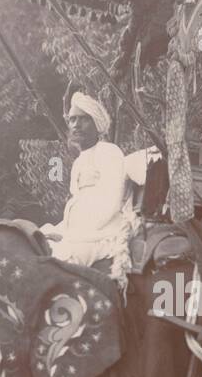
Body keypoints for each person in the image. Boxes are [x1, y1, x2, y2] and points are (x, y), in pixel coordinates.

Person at [40, 91, 134, 280]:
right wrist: (60, 231)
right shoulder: (78, 163)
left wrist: (72, 234)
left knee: (60, 264)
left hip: (102, 235)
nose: (76, 125)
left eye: (83, 119)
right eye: (73, 120)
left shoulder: (110, 153)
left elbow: (111, 205)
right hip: (77, 233)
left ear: (96, 124)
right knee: (37, 240)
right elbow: (76, 205)